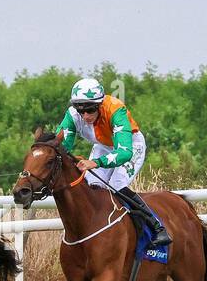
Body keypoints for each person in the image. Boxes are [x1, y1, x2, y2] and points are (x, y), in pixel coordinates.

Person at [56, 78, 169, 246]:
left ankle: (157, 227)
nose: (85, 116)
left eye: (90, 110)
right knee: (93, 185)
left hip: (130, 146)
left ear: (100, 104)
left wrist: (96, 162)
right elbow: (61, 147)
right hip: (103, 146)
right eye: (81, 111)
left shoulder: (115, 109)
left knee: (116, 185)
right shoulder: (73, 114)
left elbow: (124, 152)